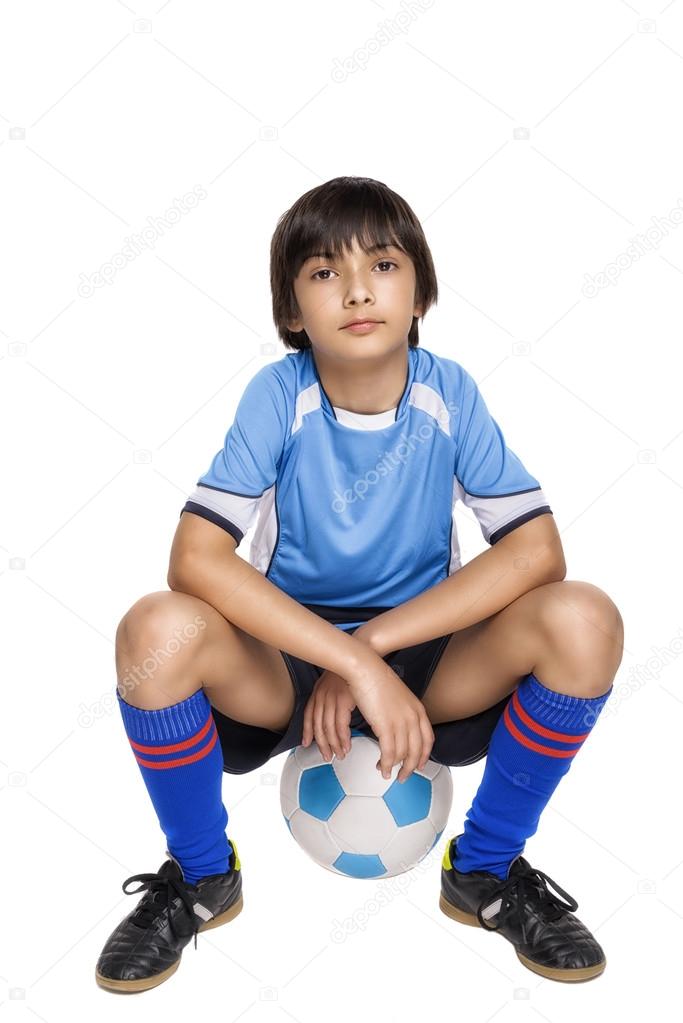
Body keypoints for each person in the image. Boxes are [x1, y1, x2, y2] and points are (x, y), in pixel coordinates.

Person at [95, 176, 624, 992]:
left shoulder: (448, 394)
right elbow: (195, 560)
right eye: (321, 272)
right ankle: (200, 877)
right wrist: (342, 661)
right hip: (287, 661)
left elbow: (534, 553)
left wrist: (372, 649)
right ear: (291, 315)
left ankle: (484, 870)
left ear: (420, 291)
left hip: (425, 650)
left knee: (585, 618)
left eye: (380, 263)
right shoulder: (280, 394)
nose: (354, 290)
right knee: (152, 629)